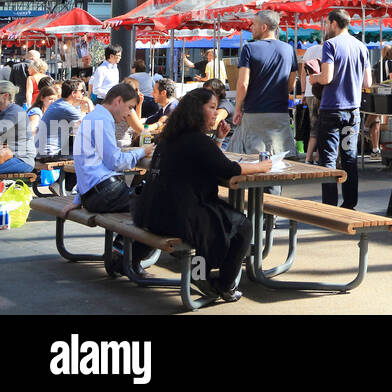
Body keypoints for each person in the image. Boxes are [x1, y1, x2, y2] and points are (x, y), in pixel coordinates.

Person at [135, 87, 272, 303]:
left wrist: (217, 139)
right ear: (196, 111)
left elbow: (211, 162)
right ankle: (224, 284)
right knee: (241, 226)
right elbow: (228, 169)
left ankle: (200, 276)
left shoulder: (169, 138)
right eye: (212, 107)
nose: (216, 113)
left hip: (150, 213)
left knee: (218, 218)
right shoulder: (197, 141)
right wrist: (262, 166)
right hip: (177, 218)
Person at [309, 9, 370, 209]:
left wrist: (314, 78)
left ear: (334, 23)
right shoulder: (361, 46)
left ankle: (329, 206)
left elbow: (326, 77)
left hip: (332, 109)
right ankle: (350, 203)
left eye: (327, 24)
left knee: (328, 159)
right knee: (349, 157)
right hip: (353, 110)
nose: (326, 27)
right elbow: (368, 82)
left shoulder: (330, 45)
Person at [71, 83, 155, 212]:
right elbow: (116, 162)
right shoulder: (103, 120)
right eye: (130, 107)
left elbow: (83, 163)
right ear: (118, 101)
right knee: (160, 201)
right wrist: (142, 151)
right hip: (105, 193)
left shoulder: (92, 117)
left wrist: (78, 198)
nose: (129, 113)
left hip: (93, 195)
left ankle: (123, 233)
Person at [231, 10, 296, 159]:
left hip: (255, 112)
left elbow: (243, 84)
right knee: (279, 158)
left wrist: (237, 109)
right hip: (280, 113)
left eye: (254, 25)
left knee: (255, 160)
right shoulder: (288, 49)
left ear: (264, 27)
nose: (251, 28)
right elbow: (291, 85)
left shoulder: (249, 48)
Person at [41, 79, 88, 156]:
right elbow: (90, 125)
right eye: (81, 91)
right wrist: (89, 103)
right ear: (73, 93)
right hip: (50, 152)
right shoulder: (66, 107)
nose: (83, 93)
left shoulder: (59, 103)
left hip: (44, 149)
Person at [0, 82, 36, 174]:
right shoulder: (3, 111)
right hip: (9, 156)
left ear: (5, 95)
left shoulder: (15, 111)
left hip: (22, 160)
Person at [206, 78, 236, 149]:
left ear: (218, 93)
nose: (205, 95)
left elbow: (213, 125)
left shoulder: (225, 106)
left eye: (209, 92)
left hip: (227, 142)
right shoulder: (212, 104)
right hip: (217, 139)